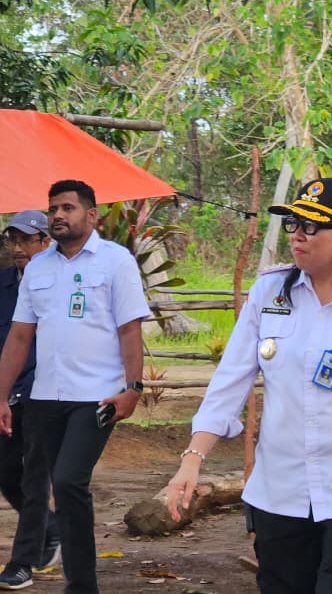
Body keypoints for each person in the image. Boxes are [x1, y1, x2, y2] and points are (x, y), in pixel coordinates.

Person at [165, 177, 332, 592]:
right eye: (294, 225)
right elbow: (230, 381)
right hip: (279, 492)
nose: (298, 236)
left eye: (310, 227)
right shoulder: (270, 291)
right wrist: (193, 460)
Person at [0, 181, 152, 594]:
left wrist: (132, 388)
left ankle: (82, 585)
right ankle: (36, 561)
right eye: (53, 209)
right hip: (45, 397)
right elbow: (18, 336)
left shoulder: (115, 262)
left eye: (67, 207)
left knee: (67, 481)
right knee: (35, 481)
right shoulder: (39, 268)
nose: (58, 216)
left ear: (92, 215)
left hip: (97, 396)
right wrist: (2, 394)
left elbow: (129, 328)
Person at [0, 211, 61, 589]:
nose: (19, 248)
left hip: (46, 394)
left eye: (26, 240)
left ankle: (22, 563)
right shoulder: (3, 285)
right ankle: (50, 528)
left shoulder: (61, 285)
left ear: (45, 242)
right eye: (13, 241)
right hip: (8, 395)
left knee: (37, 479)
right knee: (7, 473)